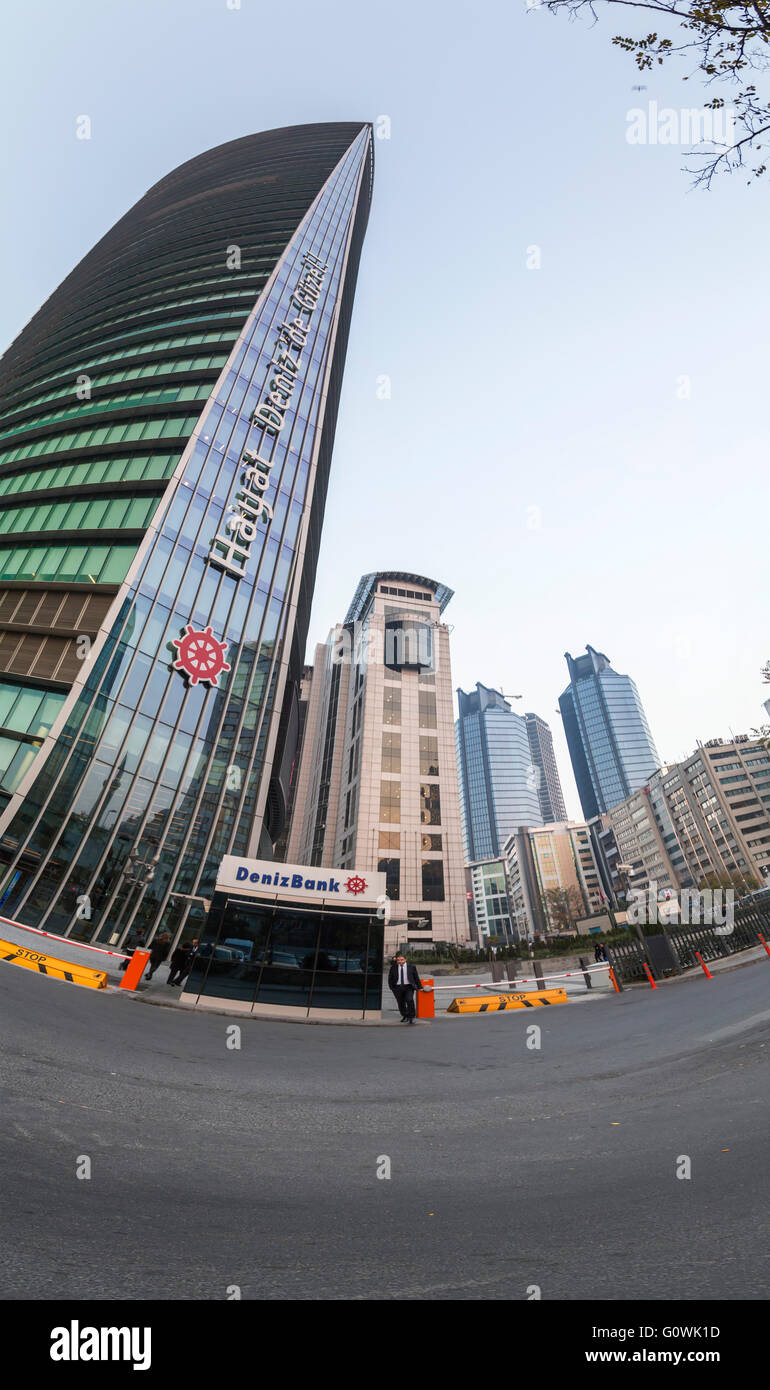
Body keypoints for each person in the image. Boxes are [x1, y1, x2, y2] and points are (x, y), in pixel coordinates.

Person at [388, 953, 422, 1024]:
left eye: (402, 959)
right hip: (397, 988)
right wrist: (392, 987)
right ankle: (405, 1015)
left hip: (408, 987)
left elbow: (416, 977)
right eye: (398, 960)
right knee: (401, 1003)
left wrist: (419, 987)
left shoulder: (412, 967)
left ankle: (411, 1017)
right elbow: (390, 978)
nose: (400, 961)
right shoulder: (393, 967)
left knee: (409, 1000)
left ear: (405, 959)